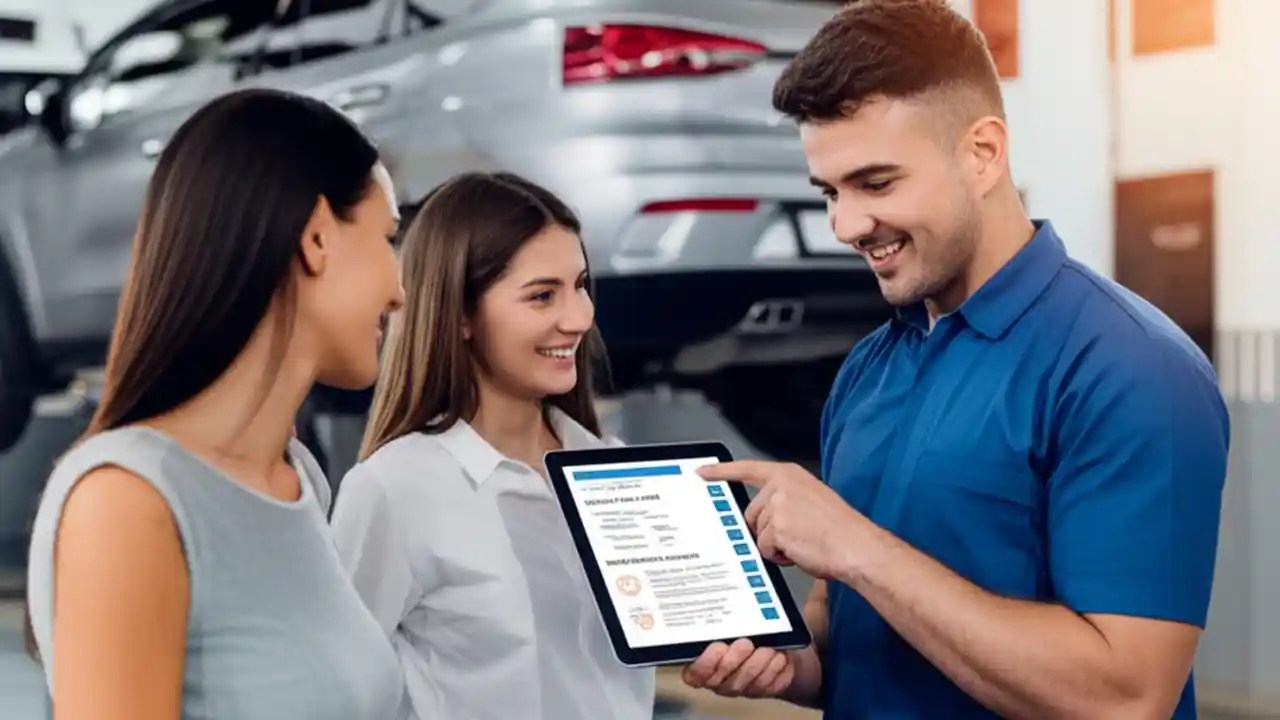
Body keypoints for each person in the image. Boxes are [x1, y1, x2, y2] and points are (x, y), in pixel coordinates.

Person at [681, 1, 1230, 718]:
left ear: (982, 154)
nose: (846, 225)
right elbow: (846, 622)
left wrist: (857, 547)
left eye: (876, 184)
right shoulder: (867, 371)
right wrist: (793, 661)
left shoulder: (1133, 368)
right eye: (830, 192)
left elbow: (1125, 698)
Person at [25, 88, 407, 719]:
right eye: (389, 237)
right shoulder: (128, 499)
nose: (399, 289)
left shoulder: (297, 479)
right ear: (316, 235)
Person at [329, 171, 656, 720]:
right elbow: (338, 692)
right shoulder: (394, 489)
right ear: (459, 314)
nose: (579, 318)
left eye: (580, 285)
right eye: (542, 295)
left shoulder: (615, 469)